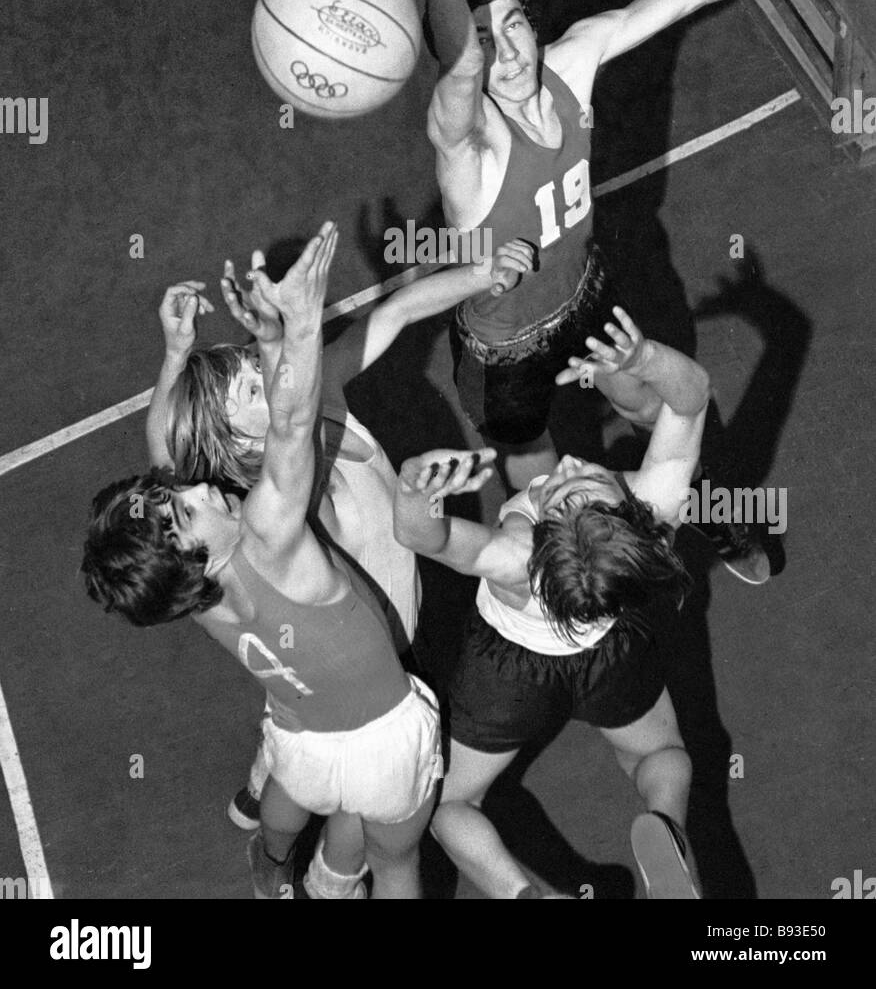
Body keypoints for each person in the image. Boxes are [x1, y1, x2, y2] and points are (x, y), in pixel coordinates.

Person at [425, 0, 808, 583]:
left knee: (663, 419)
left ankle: (715, 519)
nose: (509, 52)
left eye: (515, 24)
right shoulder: (467, 141)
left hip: (584, 295)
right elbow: (458, 74)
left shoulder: (571, 63)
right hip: (503, 352)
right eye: (485, 39)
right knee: (546, 500)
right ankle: (579, 591)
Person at [143, 236, 532, 893]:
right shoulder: (283, 500)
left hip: (308, 677)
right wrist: (278, 339)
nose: (256, 369)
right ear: (240, 437)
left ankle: (269, 846)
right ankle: (325, 876)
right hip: (375, 658)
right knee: (358, 795)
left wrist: (480, 274)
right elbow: (188, 457)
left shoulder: (306, 409)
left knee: (291, 757)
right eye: (245, 382)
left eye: (247, 362)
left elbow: (393, 314)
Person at [83, 223, 442, 900]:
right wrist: (298, 329)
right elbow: (291, 427)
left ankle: (271, 864)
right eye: (186, 506)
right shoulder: (273, 539)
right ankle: (327, 883)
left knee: (295, 786)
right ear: (189, 549)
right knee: (392, 854)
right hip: (376, 733)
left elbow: (165, 455)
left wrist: (176, 353)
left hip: (299, 722)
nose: (189, 485)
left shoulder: (183, 584)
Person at [393, 305, 710, 899]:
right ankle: (668, 831)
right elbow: (691, 399)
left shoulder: (517, 554)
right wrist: (644, 360)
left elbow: (420, 536)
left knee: (448, 805)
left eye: (564, 486)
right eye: (580, 477)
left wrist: (414, 488)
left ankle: (522, 894)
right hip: (613, 654)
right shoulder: (654, 509)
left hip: (509, 673)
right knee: (663, 757)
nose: (569, 463)